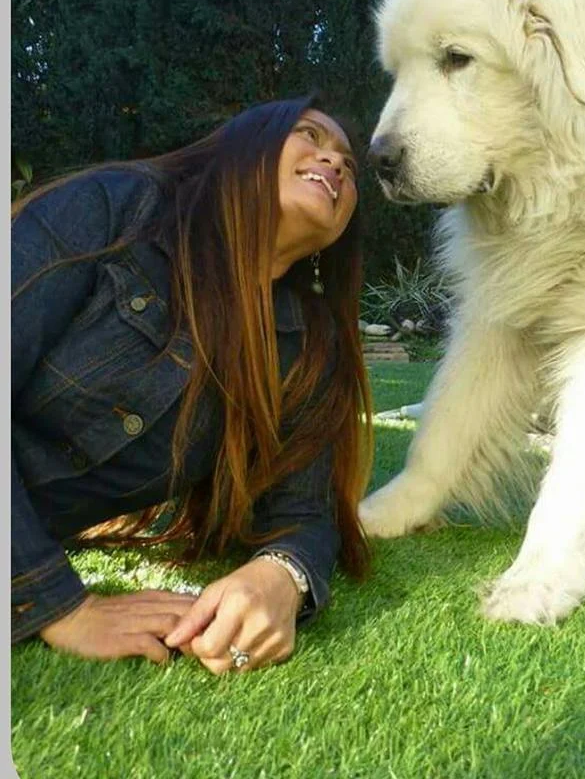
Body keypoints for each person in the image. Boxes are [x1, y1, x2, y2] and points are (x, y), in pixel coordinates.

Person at [12, 94, 372, 674]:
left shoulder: (307, 345)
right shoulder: (119, 206)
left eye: (349, 166)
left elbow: (304, 513)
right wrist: (61, 607)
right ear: (246, 145)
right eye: (309, 135)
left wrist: (281, 576)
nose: (335, 163)